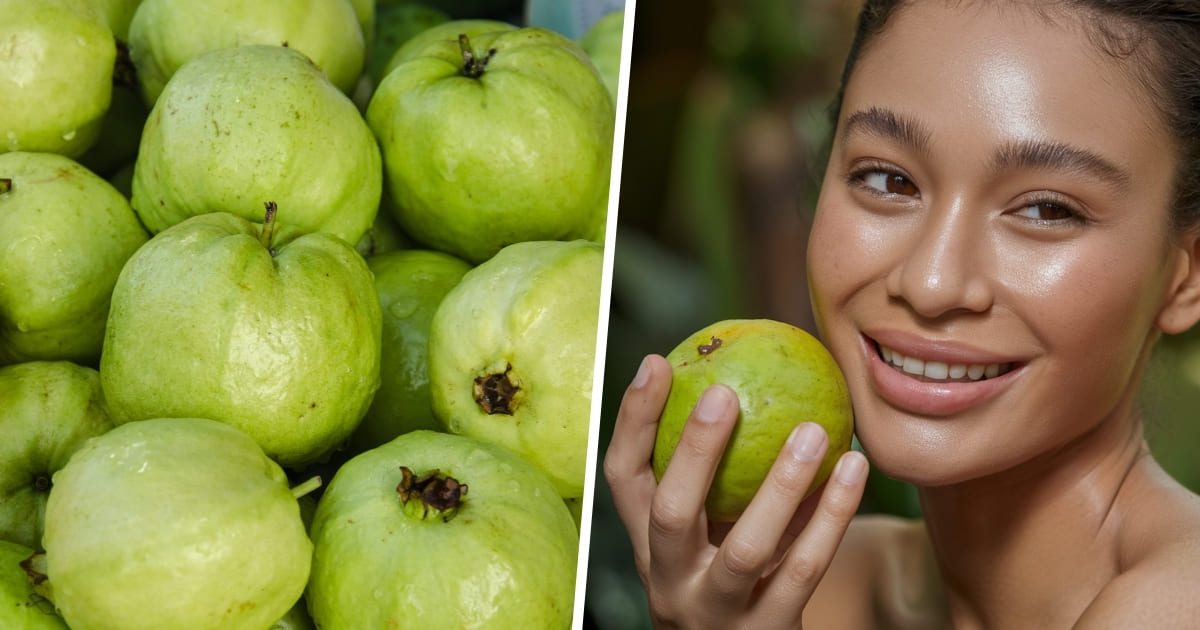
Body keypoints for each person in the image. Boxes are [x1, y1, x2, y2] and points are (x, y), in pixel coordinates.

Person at [602, 0, 1200, 627]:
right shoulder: (790, 592)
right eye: (889, 180)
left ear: (1187, 278)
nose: (930, 283)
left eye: (1046, 210)